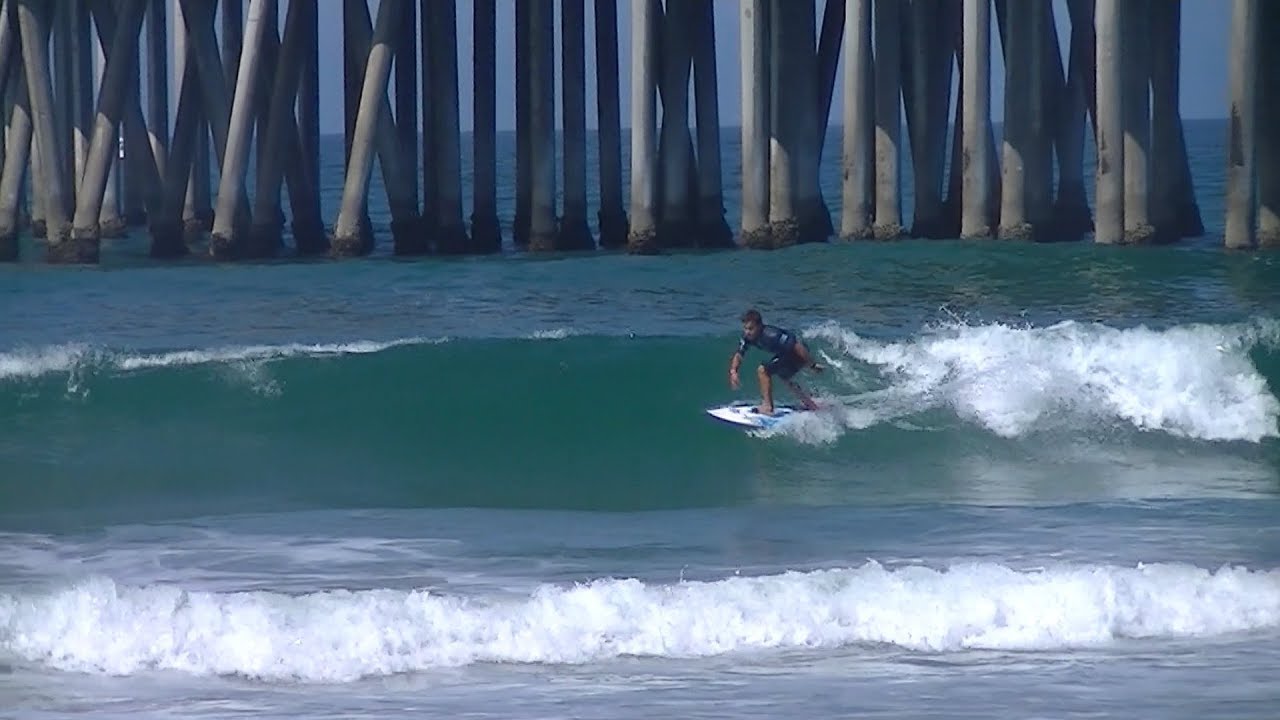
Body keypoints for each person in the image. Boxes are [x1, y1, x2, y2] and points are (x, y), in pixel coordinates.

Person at [728, 309, 823, 415]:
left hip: (798, 353)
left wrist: (812, 364)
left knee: (763, 370)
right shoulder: (748, 337)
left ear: (759, 326)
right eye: (745, 328)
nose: (747, 332)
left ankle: (768, 407)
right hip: (785, 354)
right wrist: (733, 371)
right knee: (785, 377)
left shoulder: (771, 335)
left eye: (751, 328)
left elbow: (797, 346)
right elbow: (739, 354)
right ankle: (811, 405)